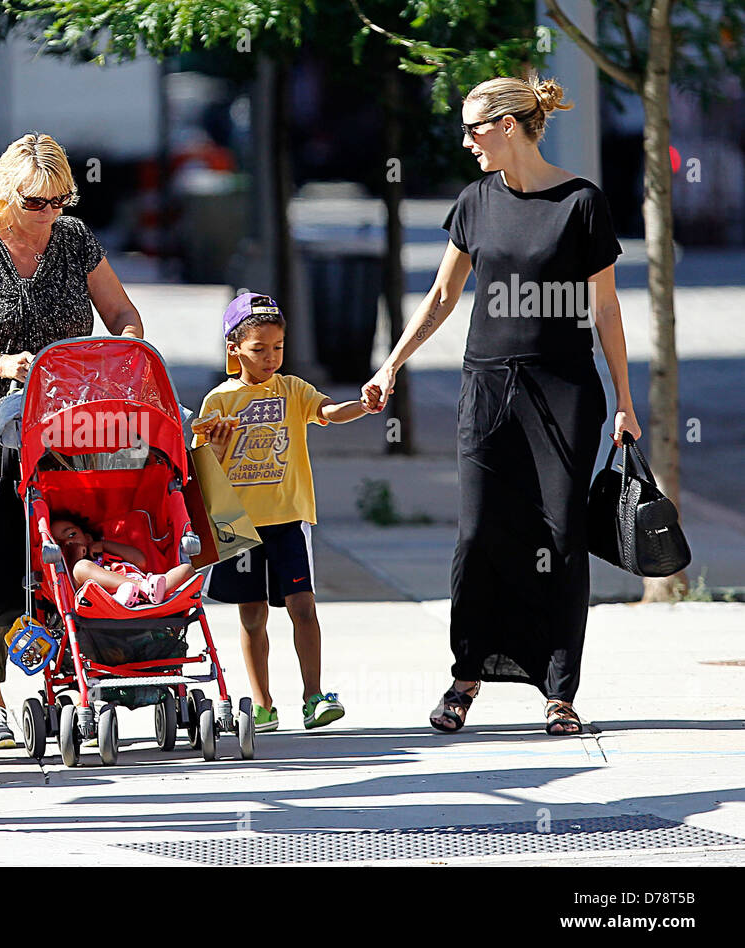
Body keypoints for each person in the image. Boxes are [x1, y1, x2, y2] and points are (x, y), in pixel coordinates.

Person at [361, 73, 639, 736]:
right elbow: (440, 298)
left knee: (562, 538)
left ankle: (561, 691)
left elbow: (604, 306)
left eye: (474, 129)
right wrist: (392, 362)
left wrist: (626, 401)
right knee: (481, 531)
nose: (467, 142)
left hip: (566, 391)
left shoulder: (581, 204)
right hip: (487, 388)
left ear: (509, 126)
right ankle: (466, 675)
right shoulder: (474, 202)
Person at [0, 132, 144, 749]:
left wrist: (126, 351)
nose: (50, 213)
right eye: (37, 202)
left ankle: (79, 671)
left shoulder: (74, 240)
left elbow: (121, 312)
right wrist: (4, 364)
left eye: (61, 200)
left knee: (74, 541)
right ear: (8, 192)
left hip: (73, 424)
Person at [195, 293, 377, 733]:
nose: (271, 358)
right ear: (233, 349)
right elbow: (204, 473)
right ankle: (262, 704)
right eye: (259, 349)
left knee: (303, 607)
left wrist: (365, 403)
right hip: (238, 524)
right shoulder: (218, 402)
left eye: (278, 347)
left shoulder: (293, 389)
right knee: (252, 614)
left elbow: (329, 412)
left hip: (288, 517)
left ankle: (314, 695)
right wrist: (217, 446)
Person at [50, 512, 196, 607]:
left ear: (88, 537)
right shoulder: (76, 568)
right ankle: (139, 590)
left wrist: (104, 544)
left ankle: (151, 591)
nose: (68, 543)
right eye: (59, 544)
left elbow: (140, 561)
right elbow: (73, 590)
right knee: (82, 567)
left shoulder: (107, 553)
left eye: (71, 535)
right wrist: (74, 558)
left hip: (151, 589)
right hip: (111, 599)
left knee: (187, 569)